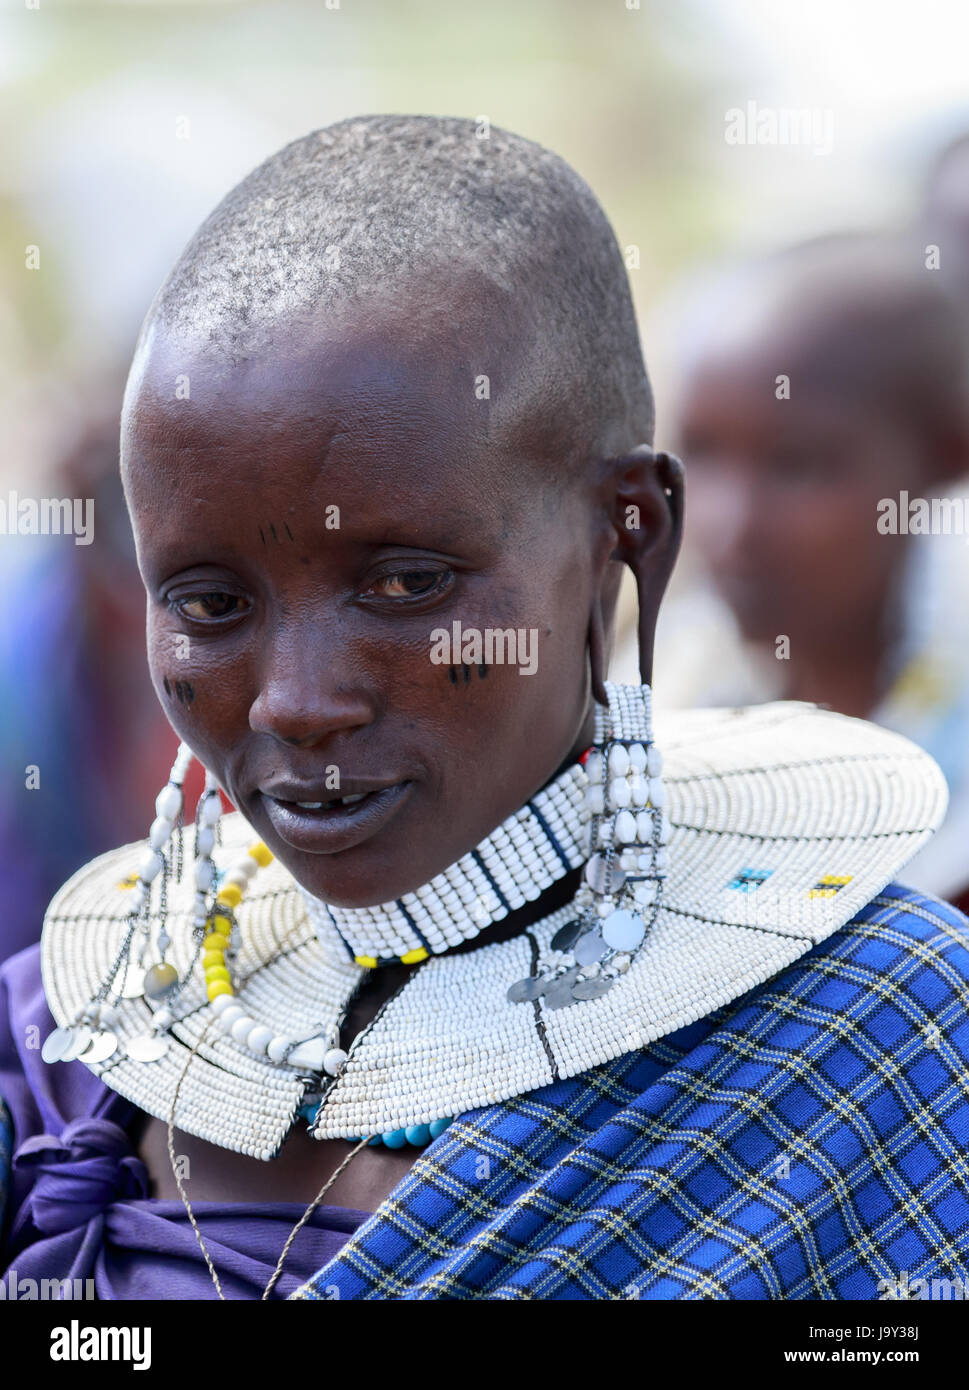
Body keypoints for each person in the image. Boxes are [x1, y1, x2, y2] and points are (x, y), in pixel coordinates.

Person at [1, 117, 968, 1302]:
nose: (299, 704)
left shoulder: (873, 1040)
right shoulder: (68, 1040)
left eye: (408, 584)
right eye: (208, 602)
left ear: (629, 538)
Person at [651, 236, 969, 910]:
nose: (731, 527)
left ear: (945, 454)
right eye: (700, 453)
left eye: (797, 466)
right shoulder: (679, 677)